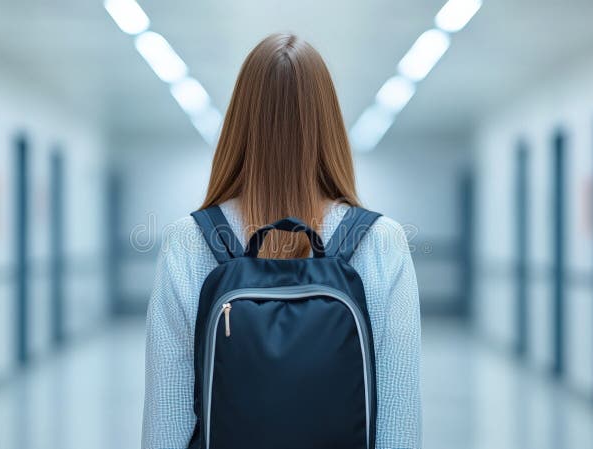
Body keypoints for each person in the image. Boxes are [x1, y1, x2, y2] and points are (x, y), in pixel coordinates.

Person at [142, 33, 422, 449]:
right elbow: (398, 425)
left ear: (238, 123)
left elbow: (167, 424)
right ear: (329, 124)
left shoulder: (189, 241)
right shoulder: (381, 241)